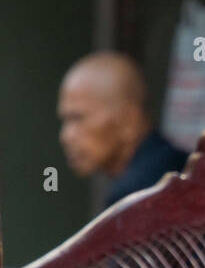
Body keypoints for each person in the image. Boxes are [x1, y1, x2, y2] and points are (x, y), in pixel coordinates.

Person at [58, 51, 189, 210]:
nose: (66, 136)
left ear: (128, 122)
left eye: (78, 118)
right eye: (65, 121)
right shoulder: (178, 168)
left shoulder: (137, 196)